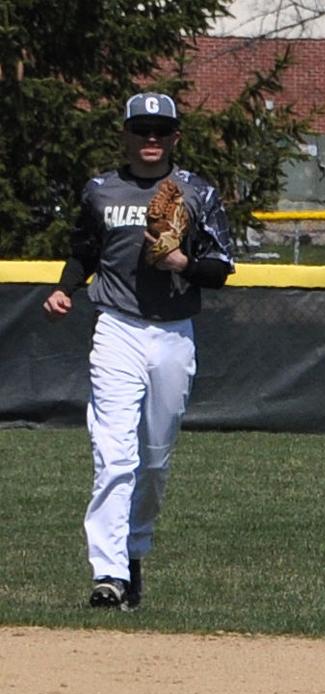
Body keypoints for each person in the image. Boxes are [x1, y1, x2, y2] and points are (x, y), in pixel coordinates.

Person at [43, 92, 234, 611]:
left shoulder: (197, 191)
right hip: (117, 328)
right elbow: (84, 250)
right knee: (114, 455)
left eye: (161, 130)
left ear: (175, 137)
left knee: (153, 459)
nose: (151, 138)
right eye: (142, 129)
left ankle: (132, 550)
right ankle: (108, 574)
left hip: (173, 333)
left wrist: (182, 263)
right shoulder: (100, 190)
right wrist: (65, 287)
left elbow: (221, 266)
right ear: (125, 135)